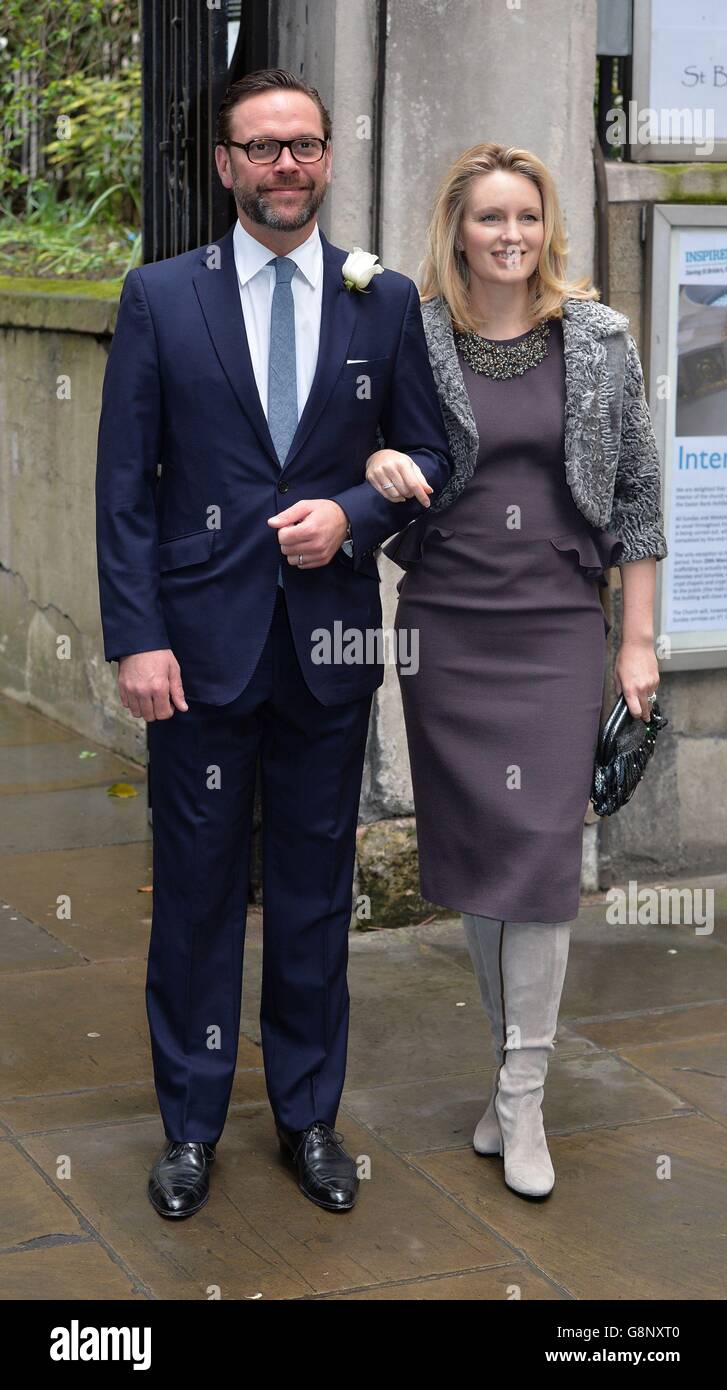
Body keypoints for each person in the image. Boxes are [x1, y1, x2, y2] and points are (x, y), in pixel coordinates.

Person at [94, 68, 452, 1219]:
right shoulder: (160, 296)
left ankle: (307, 1116)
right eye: (261, 147)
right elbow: (124, 493)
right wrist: (136, 639)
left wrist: (356, 511)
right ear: (225, 166)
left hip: (328, 650)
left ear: (328, 159)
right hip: (196, 650)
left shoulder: (385, 300)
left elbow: (430, 460)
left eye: (302, 146)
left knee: (312, 890)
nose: (283, 166)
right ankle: (191, 1126)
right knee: (196, 892)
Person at [366, 143, 668, 1199]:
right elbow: (362, 439)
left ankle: (525, 1095)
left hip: (553, 628)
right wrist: (375, 463)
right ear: (456, 230)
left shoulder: (594, 337)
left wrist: (635, 640)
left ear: (548, 230)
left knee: (541, 857)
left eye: (526, 219)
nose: (510, 236)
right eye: (490, 218)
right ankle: (507, 1080)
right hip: (446, 626)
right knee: (483, 856)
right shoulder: (415, 333)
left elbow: (635, 491)